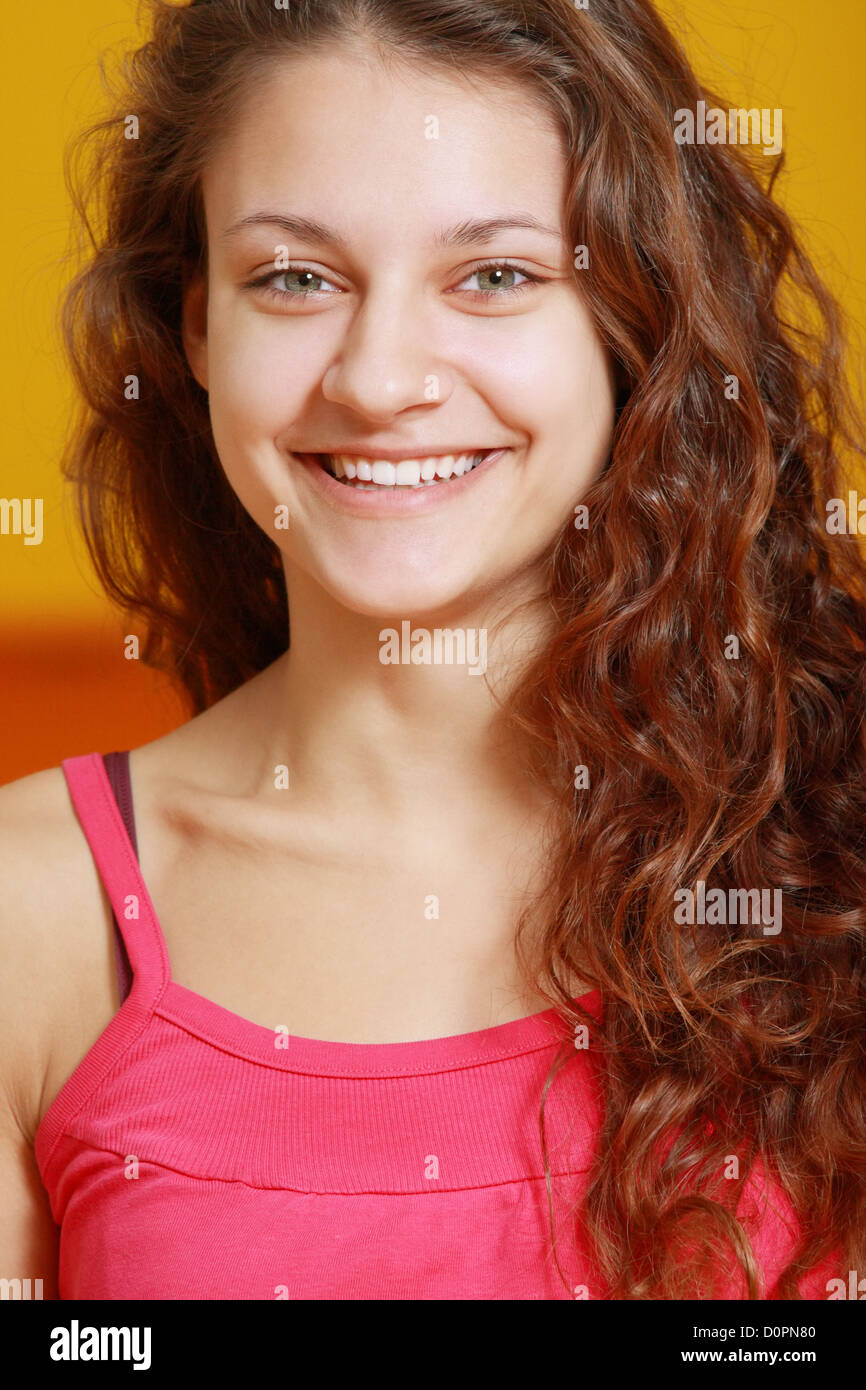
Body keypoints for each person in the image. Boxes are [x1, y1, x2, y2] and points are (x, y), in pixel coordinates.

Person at [1, 0, 864, 1301]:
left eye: (495, 275)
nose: (378, 377)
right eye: (295, 276)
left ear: (626, 324)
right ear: (196, 329)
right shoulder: (34, 912)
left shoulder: (831, 843)